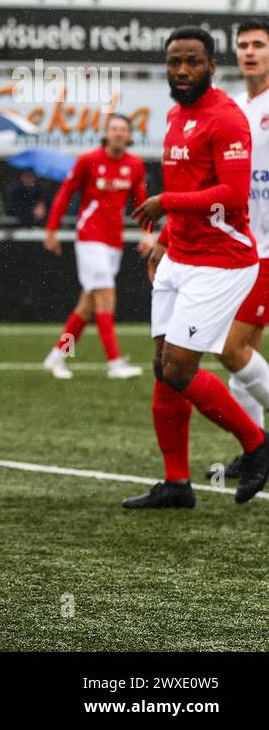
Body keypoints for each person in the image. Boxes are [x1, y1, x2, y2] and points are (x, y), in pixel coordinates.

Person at [126, 26, 269, 508]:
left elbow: (232, 194)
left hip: (222, 261)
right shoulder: (173, 114)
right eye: (174, 62)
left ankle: (257, 445)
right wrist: (165, 240)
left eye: (192, 62)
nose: (182, 71)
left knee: (181, 369)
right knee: (161, 369)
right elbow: (185, 186)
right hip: (180, 257)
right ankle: (177, 484)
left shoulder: (227, 118)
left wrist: (165, 203)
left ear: (211, 65)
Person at [207, 19, 269, 481]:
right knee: (244, 347)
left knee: (230, 347)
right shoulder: (236, 107)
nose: (249, 52)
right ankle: (256, 452)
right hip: (241, 245)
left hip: (266, 250)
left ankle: (258, 445)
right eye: (243, 45)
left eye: (259, 45)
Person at [41, 114, 148, 380]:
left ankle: (57, 356)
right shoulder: (88, 161)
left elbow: (141, 201)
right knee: (106, 297)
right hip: (90, 238)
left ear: (130, 135)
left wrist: (149, 232)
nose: (118, 133)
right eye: (114, 129)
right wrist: (52, 229)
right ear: (106, 133)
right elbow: (65, 193)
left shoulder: (135, 165)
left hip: (114, 243)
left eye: (123, 129)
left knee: (86, 307)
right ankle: (114, 363)